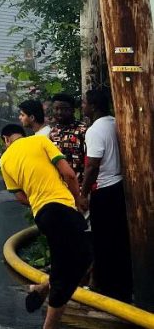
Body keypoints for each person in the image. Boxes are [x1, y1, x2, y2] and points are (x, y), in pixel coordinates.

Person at [0, 123, 90, 329]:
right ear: (22, 135)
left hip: (43, 214)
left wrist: (40, 201)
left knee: (74, 260)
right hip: (62, 208)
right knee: (75, 262)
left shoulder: (4, 160)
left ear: (6, 140)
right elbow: (69, 175)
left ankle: (41, 288)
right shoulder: (40, 140)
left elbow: (21, 197)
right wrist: (78, 200)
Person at [81, 86, 132, 302]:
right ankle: (121, 284)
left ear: (92, 106)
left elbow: (92, 166)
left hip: (104, 190)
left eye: (84, 102)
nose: (82, 105)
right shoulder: (114, 123)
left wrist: (83, 193)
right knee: (118, 238)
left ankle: (107, 289)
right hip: (118, 186)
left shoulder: (95, 130)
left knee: (103, 240)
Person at [48, 93, 87, 184]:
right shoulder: (52, 133)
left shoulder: (82, 130)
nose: (59, 112)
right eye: (56, 109)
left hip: (79, 184)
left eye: (64, 109)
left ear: (73, 110)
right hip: (59, 186)